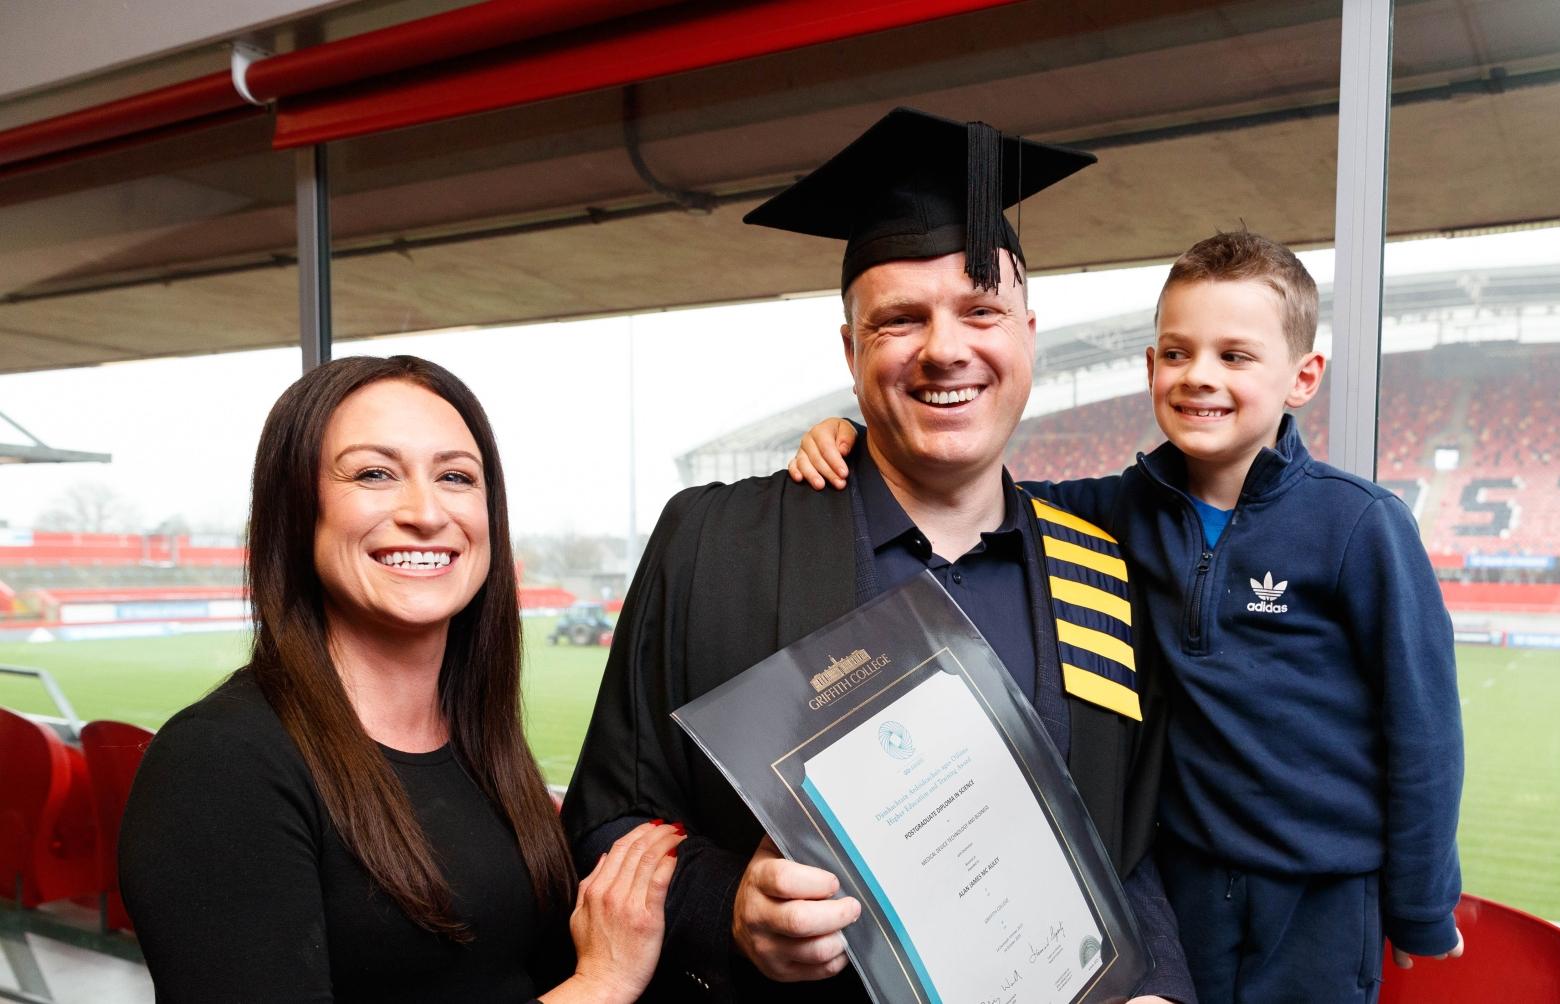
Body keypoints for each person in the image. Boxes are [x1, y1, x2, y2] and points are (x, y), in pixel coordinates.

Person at [562, 108, 1193, 1003]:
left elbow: (1131, 849)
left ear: (1028, 334)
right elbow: (605, 824)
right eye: (900, 321)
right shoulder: (714, 546)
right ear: (852, 350)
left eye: (981, 310)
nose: (946, 350)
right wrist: (727, 906)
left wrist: (1157, 983)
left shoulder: (1102, 574)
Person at [789, 230, 1466, 1003]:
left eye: (1235, 357)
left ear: (1303, 377)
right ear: (1150, 367)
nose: (1198, 377)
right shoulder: (1121, 508)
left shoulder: (1360, 526)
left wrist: (1421, 903)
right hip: (1186, 881)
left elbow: (1425, 729)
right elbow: (992, 499)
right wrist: (860, 436)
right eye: (1176, 353)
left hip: (1320, 892)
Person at [120, 355, 683, 1004]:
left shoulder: (481, 744)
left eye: (455, 476)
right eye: (374, 473)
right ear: (298, 511)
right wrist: (602, 983)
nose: (426, 511)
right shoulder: (218, 766)